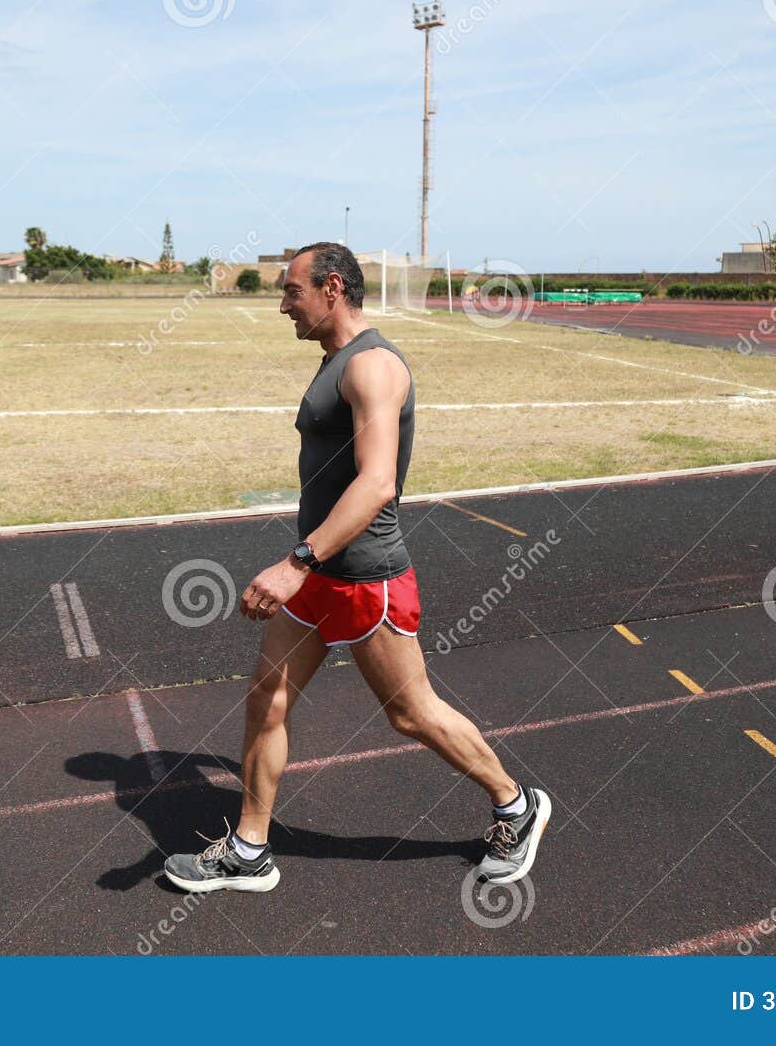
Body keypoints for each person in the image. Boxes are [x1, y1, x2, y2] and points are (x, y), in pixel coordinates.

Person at [163, 242, 550, 894]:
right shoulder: (336, 361)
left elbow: (375, 484)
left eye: (292, 290)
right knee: (268, 697)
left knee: (411, 714)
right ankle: (250, 850)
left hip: (363, 576)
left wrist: (296, 561)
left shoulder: (373, 366)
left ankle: (516, 803)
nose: (284, 303)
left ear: (332, 287)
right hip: (318, 574)